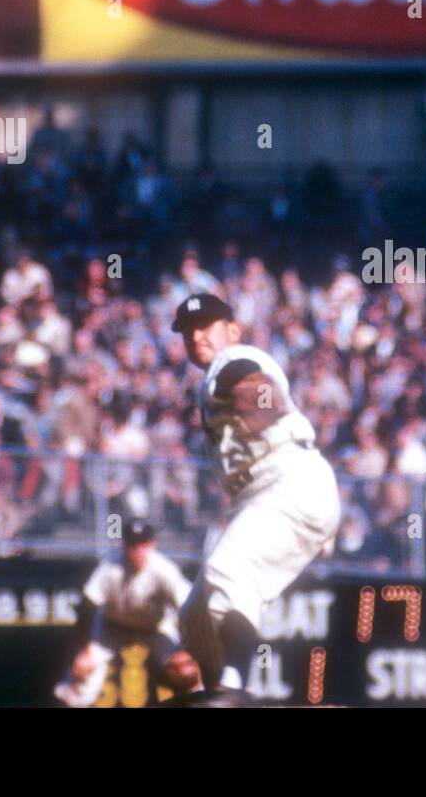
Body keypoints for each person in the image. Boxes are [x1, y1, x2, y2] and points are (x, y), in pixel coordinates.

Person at [168, 293, 341, 705]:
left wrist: (259, 400)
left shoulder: (233, 358)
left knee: (229, 570)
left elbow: (253, 383)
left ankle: (233, 688)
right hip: (268, 492)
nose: (196, 336)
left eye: (205, 326)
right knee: (195, 615)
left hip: (290, 480)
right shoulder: (210, 379)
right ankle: (215, 693)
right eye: (188, 332)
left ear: (232, 329)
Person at [54, 519, 192, 707]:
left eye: (142, 544)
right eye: (132, 544)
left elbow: (189, 608)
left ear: (152, 544)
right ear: (124, 544)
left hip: (155, 629)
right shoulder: (111, 567)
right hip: (112, 627)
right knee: (81, 677)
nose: (137, 550)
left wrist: (186, 649)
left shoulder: (164, 570)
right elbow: (87, 607)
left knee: (186, 671)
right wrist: (84, 652)